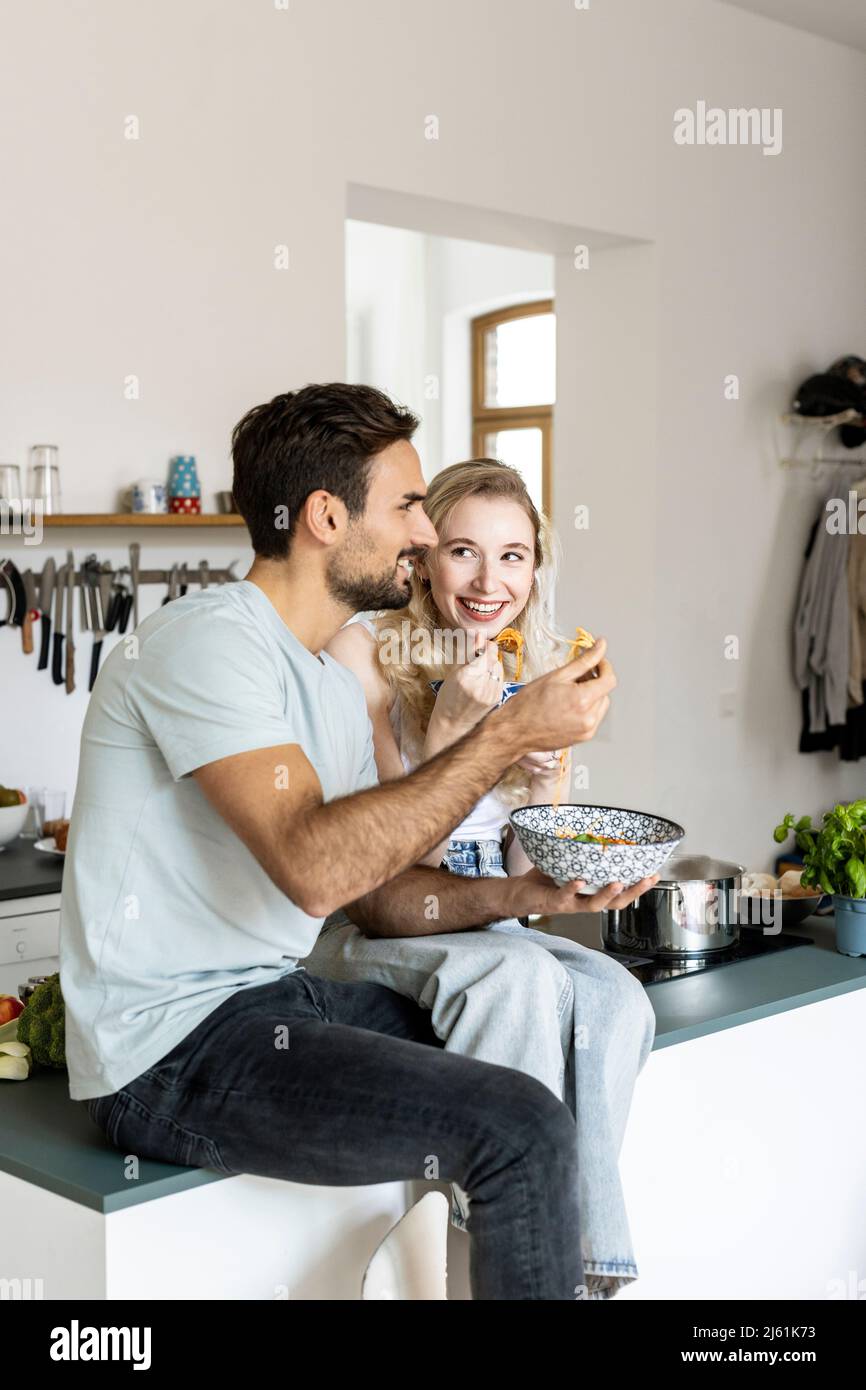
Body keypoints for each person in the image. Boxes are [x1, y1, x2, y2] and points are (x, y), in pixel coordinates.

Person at [61, 383, 655, 1301]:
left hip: (280, 1000)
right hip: (171, 1052)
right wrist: (502, 734)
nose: (424, 535)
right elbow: (312, 868)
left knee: (533, 1015)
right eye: (410, 506)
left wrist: (534, 897)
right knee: (518, 1124)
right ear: (328, 517)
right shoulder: (207, 643)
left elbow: (372, 894)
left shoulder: (332, 679)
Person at [303, 458, 657, 1298]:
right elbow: (377, 877)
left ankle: (590, 1268)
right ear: (423, 557)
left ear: (537, 566)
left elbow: (514, 881)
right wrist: (451, 742)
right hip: (367, 932)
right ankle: (498, 1237)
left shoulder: (526, 665)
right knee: (521, 976)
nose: (488, 580)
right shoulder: (365, 658)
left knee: (615, 996)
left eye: (513, 556)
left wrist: (548, 786)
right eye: (463, 551)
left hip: (481, 927)